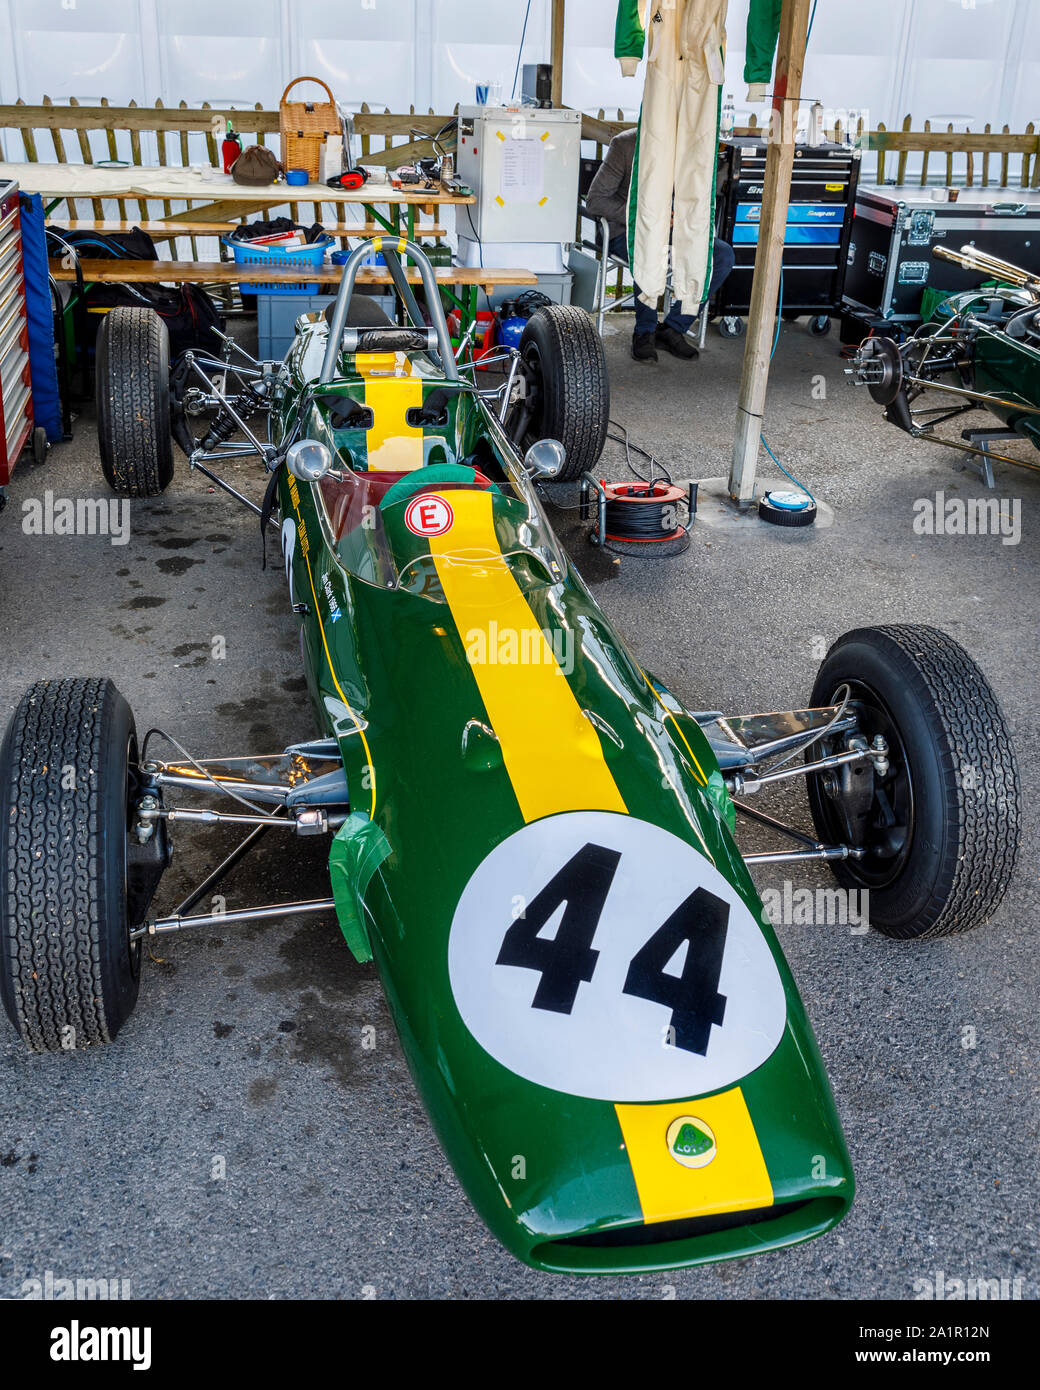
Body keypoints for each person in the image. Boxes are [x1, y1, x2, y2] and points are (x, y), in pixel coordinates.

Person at [585, 127, 734, 363]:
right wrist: (649, 216)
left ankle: (673, 329)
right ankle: (644, 332)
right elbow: (595, 200)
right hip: (627, 230)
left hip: (674, 231)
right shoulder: (625, 144)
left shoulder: (690, 145)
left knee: (722, 255)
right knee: (652, 250)